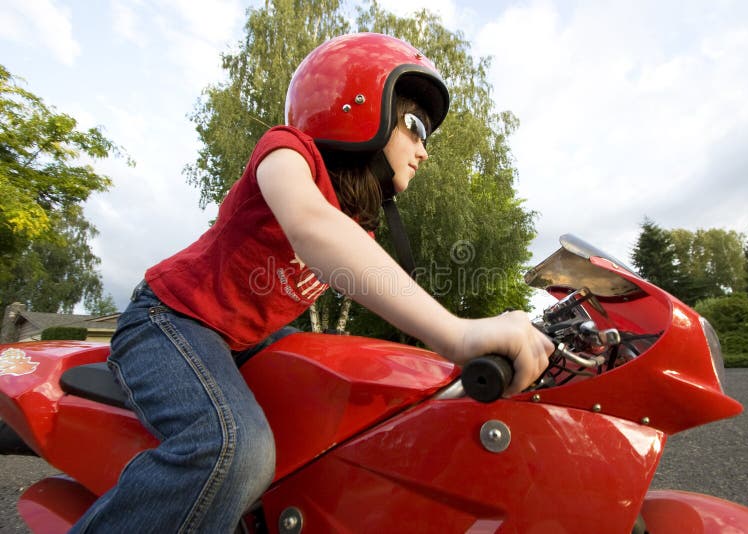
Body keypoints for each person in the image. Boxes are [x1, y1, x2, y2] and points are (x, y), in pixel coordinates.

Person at [70, 32, 554, 533]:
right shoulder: (285, 151)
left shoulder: (354, 221)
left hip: (243, 339)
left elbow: (353, 258)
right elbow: (310, 226)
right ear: (361, 106)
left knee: (355, 406)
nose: (424, 151)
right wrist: (457, 333)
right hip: (170, 319)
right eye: (415, 127)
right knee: (233, 450)